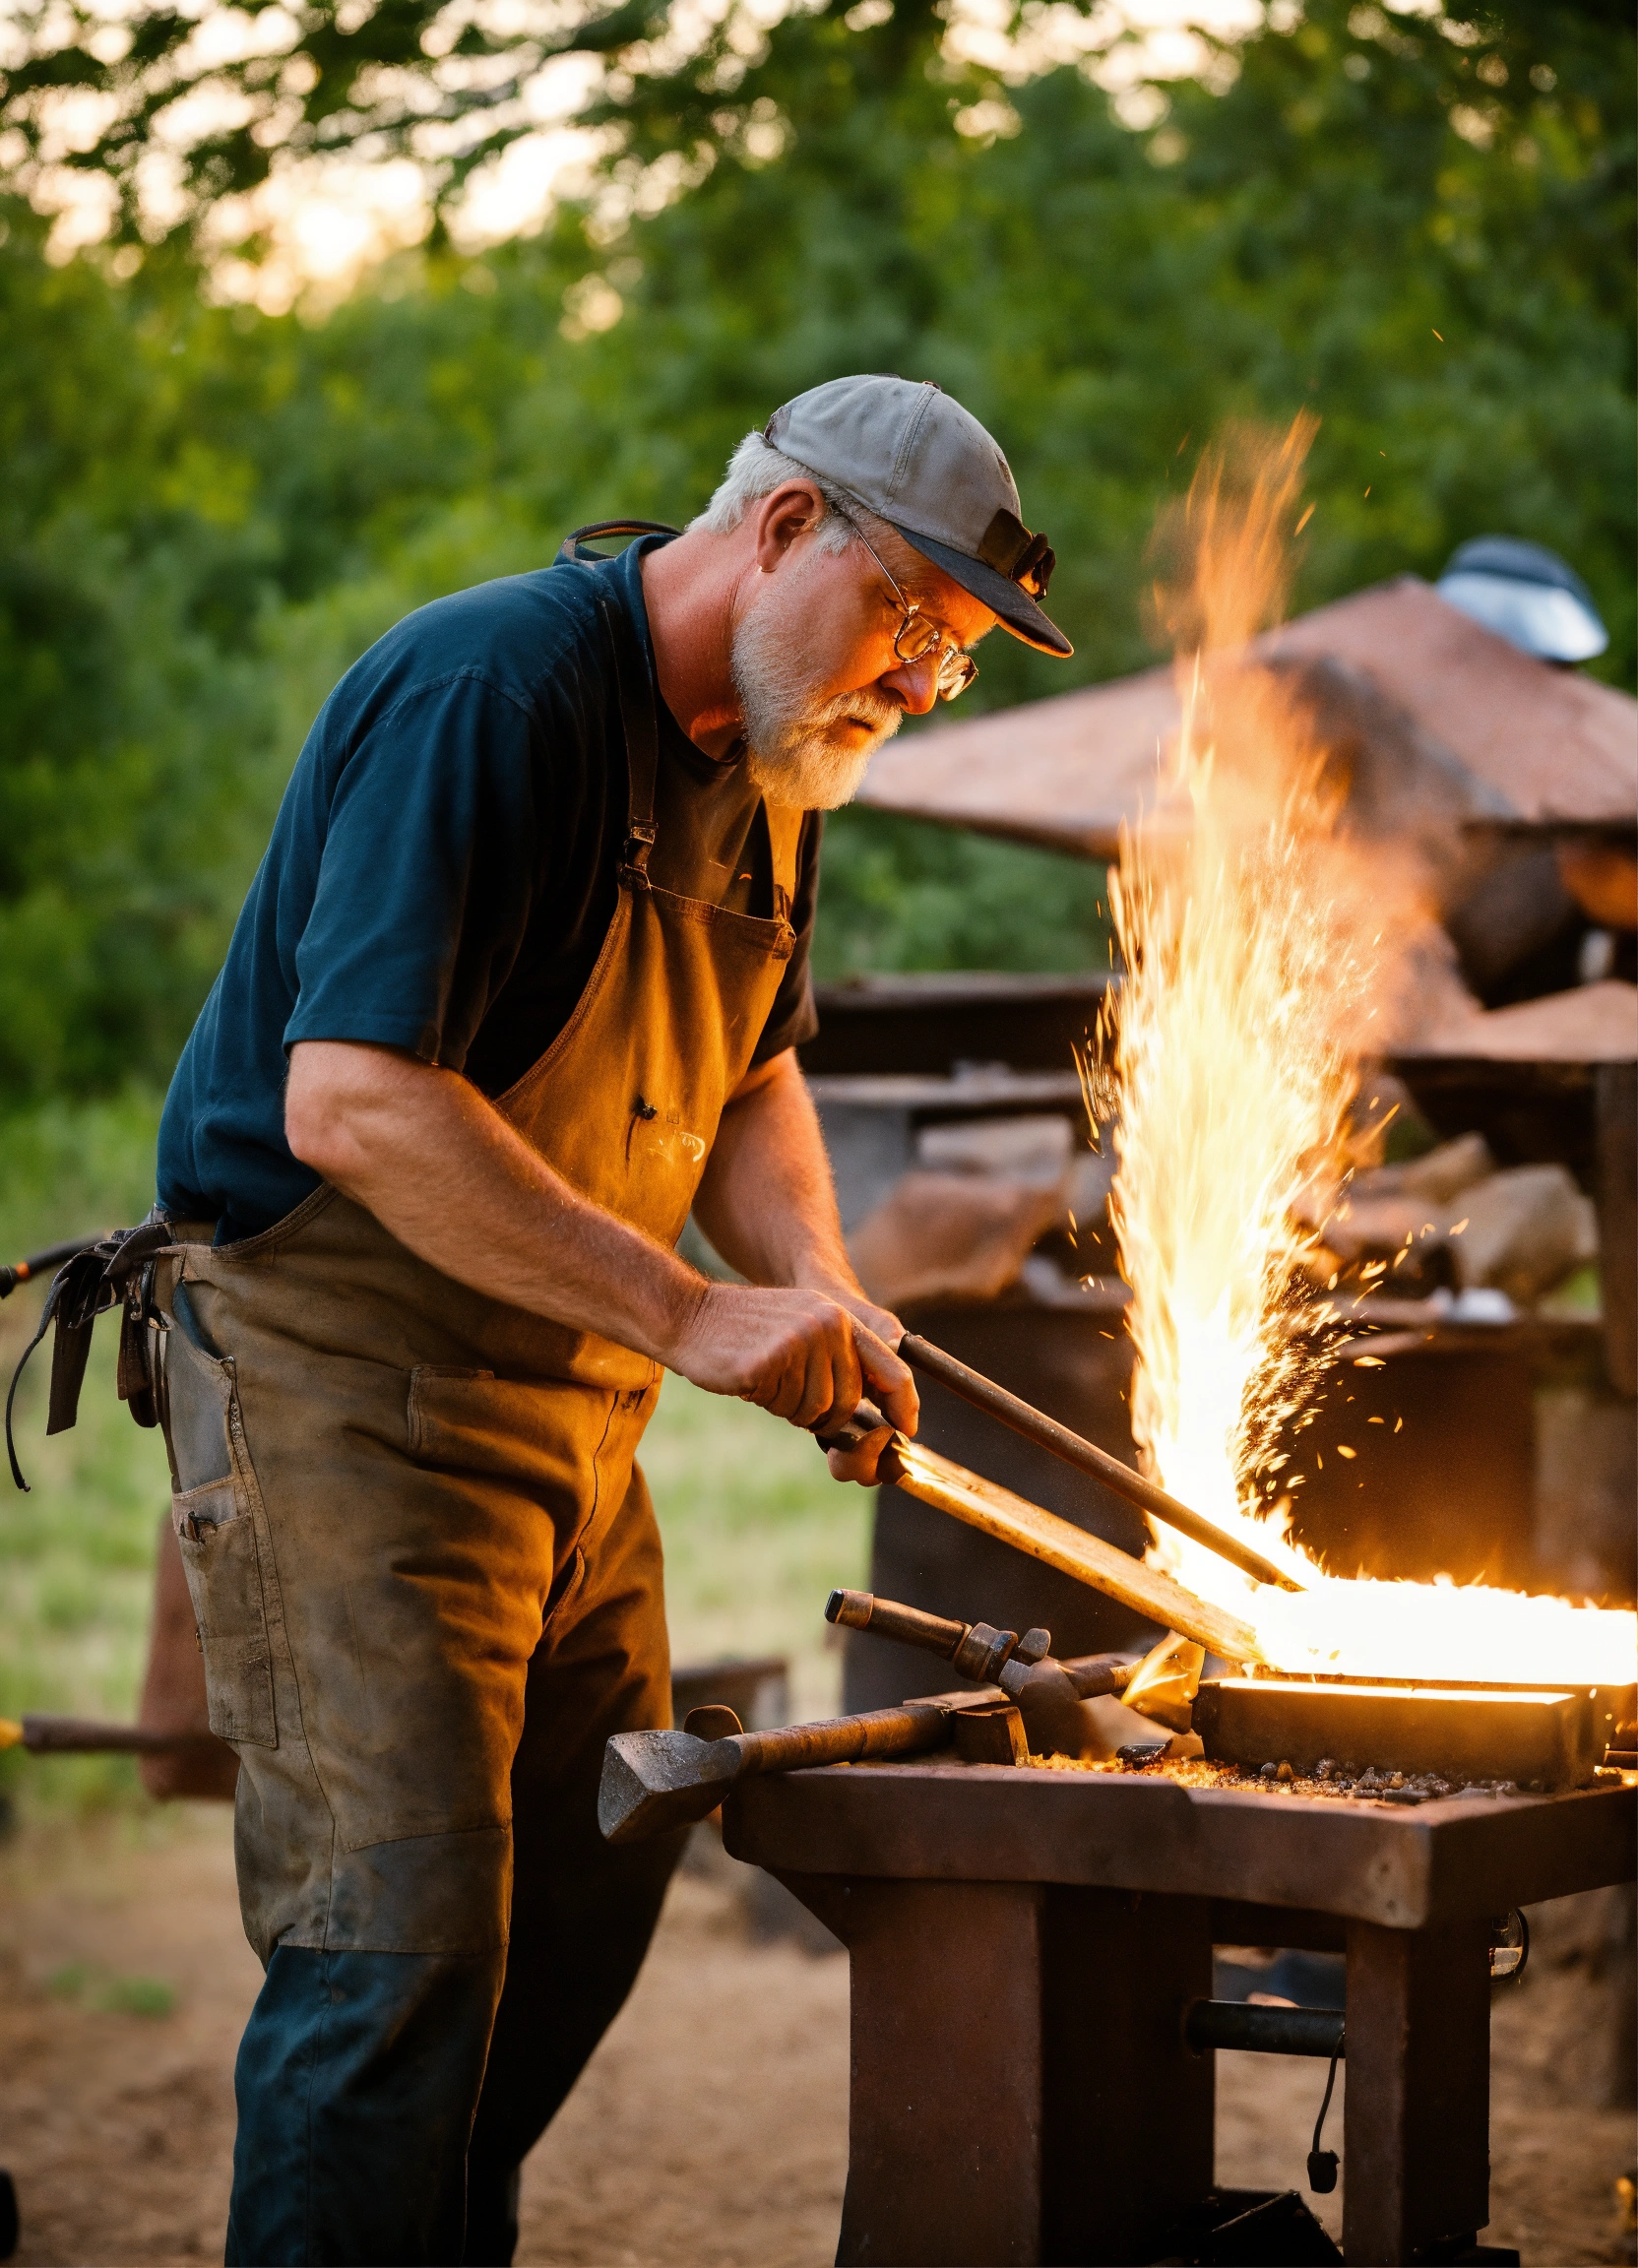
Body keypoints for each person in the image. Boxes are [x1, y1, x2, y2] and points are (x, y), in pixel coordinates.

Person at [147, 373, 1070, 2264]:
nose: (918, 689)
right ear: (786, 527)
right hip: (344, 1395)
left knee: (585, 1891)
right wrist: (695, 1316)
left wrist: (814, 1280)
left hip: (569, 1420)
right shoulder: (493, 693)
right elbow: (353, 1099)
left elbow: (754, 1075)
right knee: (395, 1948)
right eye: (913, 625)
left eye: (955, 661)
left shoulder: (778, 761)